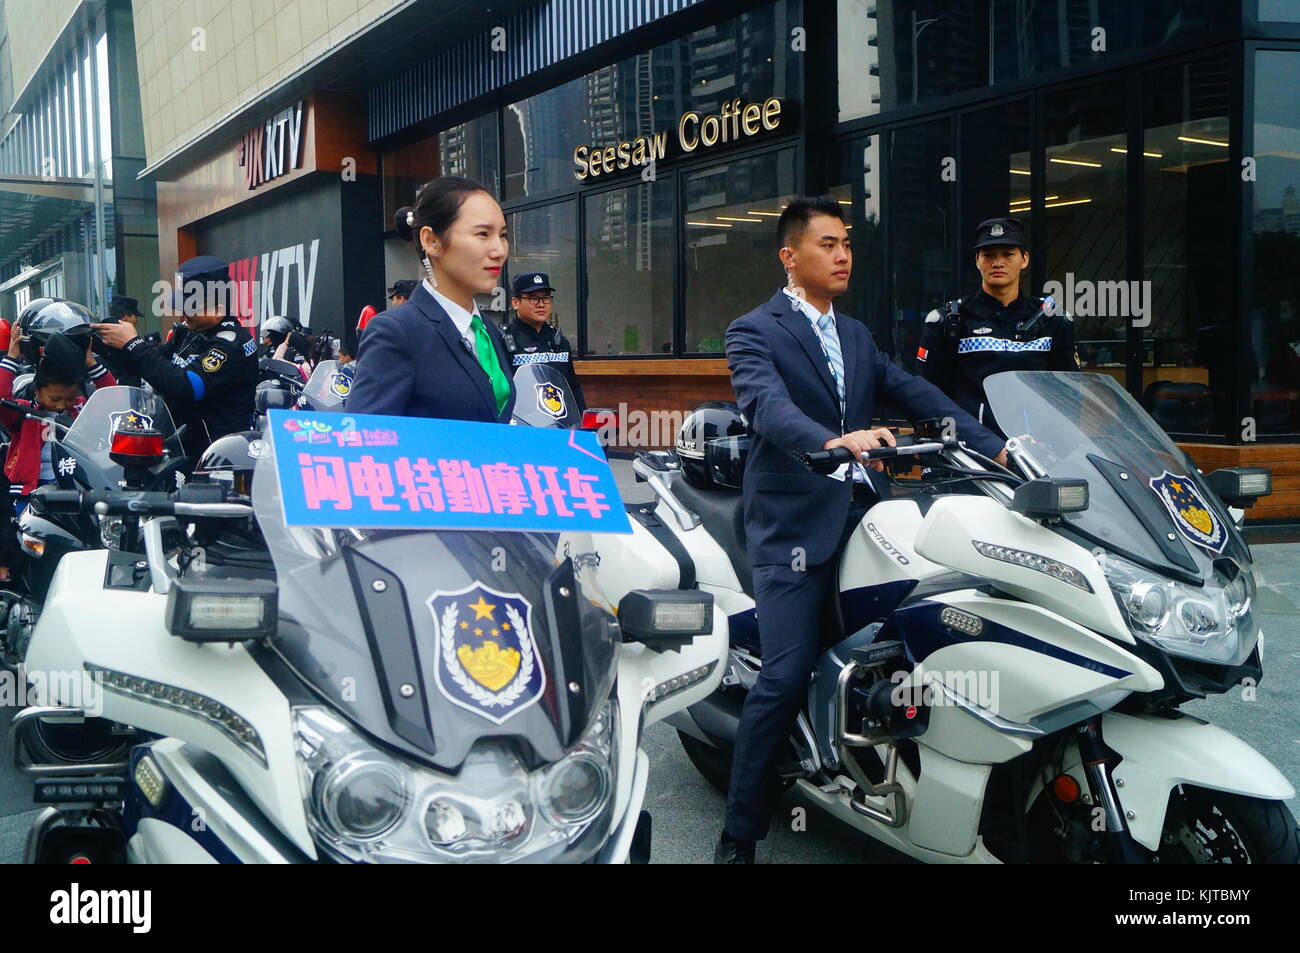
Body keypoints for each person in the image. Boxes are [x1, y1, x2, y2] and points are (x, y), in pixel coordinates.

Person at [718, 196, 1007, 864]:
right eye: (828, 244)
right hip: (792, 522)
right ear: (791, 257)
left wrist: (998, 449)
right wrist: (833, 440)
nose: (843, 254)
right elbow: (766, 407)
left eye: (847, 243)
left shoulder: (855, 336)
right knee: (785, 672)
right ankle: (739, 834)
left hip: (869, 513)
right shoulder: (753, 330)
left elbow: (921, 396)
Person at [349, 177, 514, 421]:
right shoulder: (397, 332)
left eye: (502, 235)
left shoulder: (487, 330)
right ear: (431, 241)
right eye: (482, 233)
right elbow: (365, 439)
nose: (499, 250)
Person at [916, 217, 1078, 432]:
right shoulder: (949, 321)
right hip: (972, 455)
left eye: (1008, 254)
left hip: (1038, 453)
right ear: (977, 260)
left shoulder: (1052, 321)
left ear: (1025, 259)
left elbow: (1069, 398)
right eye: (989, 255)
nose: (998, 263)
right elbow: (927, 396)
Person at [92, 255, 257, 464]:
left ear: (217, 307)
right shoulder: (188, 333)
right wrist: (104, 344)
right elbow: (151, 365)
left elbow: (188, 386)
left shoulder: (232, 344)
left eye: (191, 307)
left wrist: (133, 344)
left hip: (220, 457)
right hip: (180, 447)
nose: (182, 314)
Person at [0, 326, 117, 515]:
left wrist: (91, 364)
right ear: (36, 390)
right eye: (55, 399)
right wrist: (12, 356)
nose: (63, 405)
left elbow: (113, 401)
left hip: (79, 487)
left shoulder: (83, 410)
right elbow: (1, 396)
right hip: (31, 492)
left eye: (70, 398)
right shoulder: (23, 412)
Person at [501, 272, 586, 410]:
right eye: (533, 298)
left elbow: (573, 387)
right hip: (521, 424)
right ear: (516, 302)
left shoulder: (559, 341)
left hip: (559, 423)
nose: (541, 304)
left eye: (546, 298)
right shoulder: (504, 340)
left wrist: (582, 424)